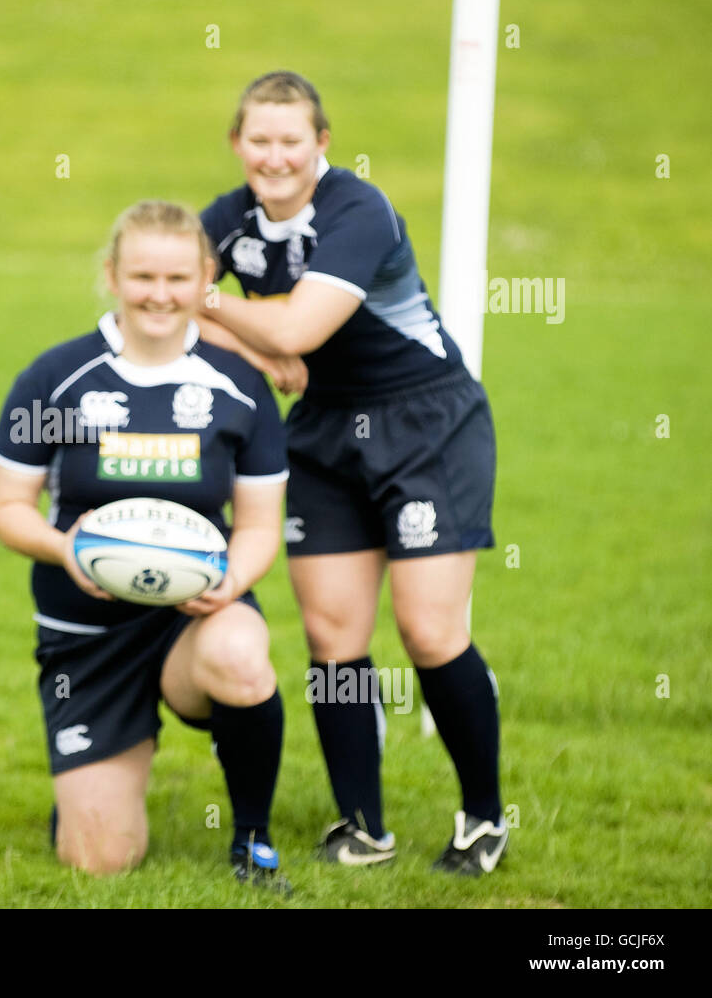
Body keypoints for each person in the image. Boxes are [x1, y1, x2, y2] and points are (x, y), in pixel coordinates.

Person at [196, 71, 507, 876]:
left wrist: (231, 315)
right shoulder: (224, 221)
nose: (274, 156)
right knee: (335, 637)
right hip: (326, 432)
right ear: (237, 144)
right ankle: (361, 825)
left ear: (321, 143)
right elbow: (164, 301)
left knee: (429, 630)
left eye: (290, 140)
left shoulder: (358, 210)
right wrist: (258, 347)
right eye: (258, 140)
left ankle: (482, 817)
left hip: (425, 421)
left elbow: (297, 324)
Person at [0, 200, 291, 889]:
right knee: (99, 860)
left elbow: (262, 523)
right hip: (85, 633)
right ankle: (98, 784)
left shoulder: (238, 387)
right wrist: (66, 549)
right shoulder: (56, 378)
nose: (160, 294)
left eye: (178, 278)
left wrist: (231, 581)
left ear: (205, 279)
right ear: (112, 275)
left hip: (194, 620)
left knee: (242, 656)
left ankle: (252, 841)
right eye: (143, 276)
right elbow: (7, 508)